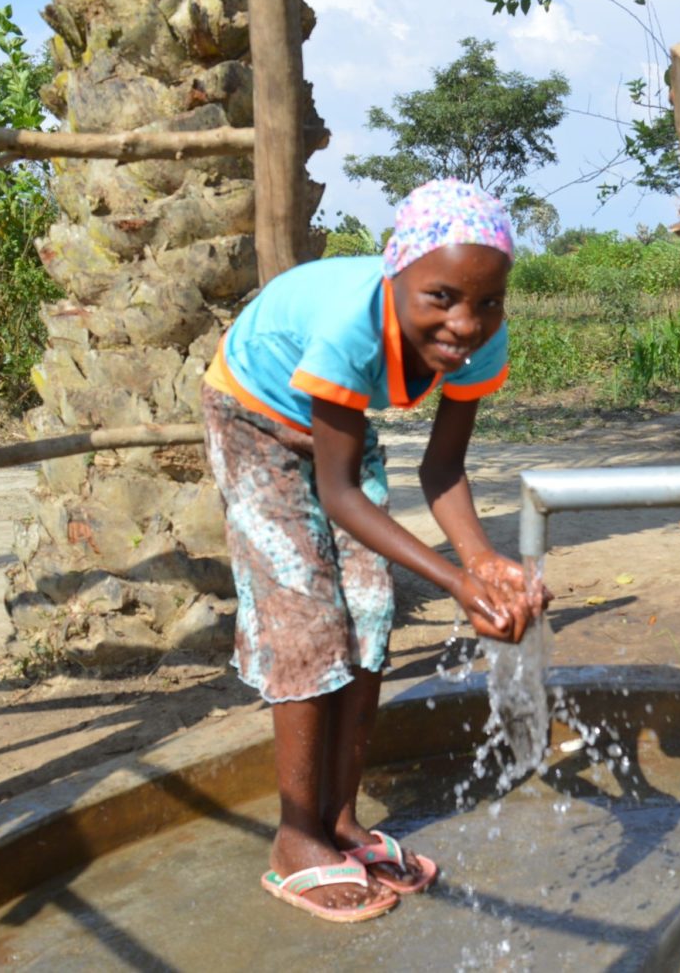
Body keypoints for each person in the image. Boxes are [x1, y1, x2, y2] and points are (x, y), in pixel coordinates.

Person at [200, 179, 548, 923]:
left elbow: (443, 469)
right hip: (254, 414)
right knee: (305, 618)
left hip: (337, 423)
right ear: (396, 276)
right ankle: (295, 836)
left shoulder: (482, 338)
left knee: (369, 609)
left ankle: (341, 821)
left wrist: (484, 561)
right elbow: (338, 492)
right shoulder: (353, 326)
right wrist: (457, 581)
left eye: (487, 302)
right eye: (442, 297)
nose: (465, 323)